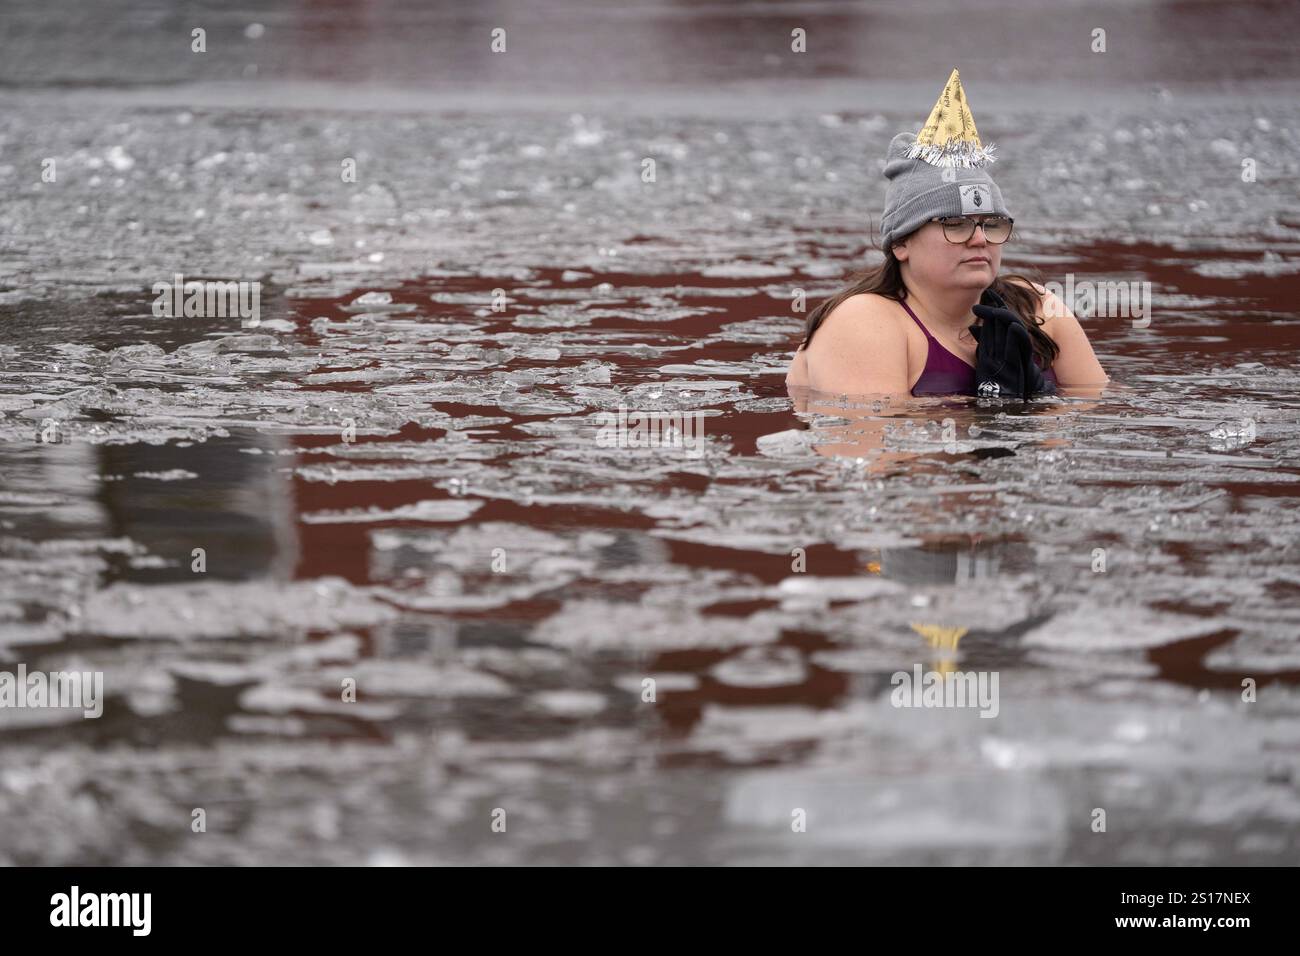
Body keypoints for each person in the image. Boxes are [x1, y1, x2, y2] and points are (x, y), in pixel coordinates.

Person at [786, 69, 1108, 400]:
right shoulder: (865, 321)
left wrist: (1038, 400)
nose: (980, 239)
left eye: (991, 223)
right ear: (900, 243)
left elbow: (1104, 418)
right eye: (955, 224)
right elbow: (882, 444)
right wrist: (1000, 413)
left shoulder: (1037, 308)